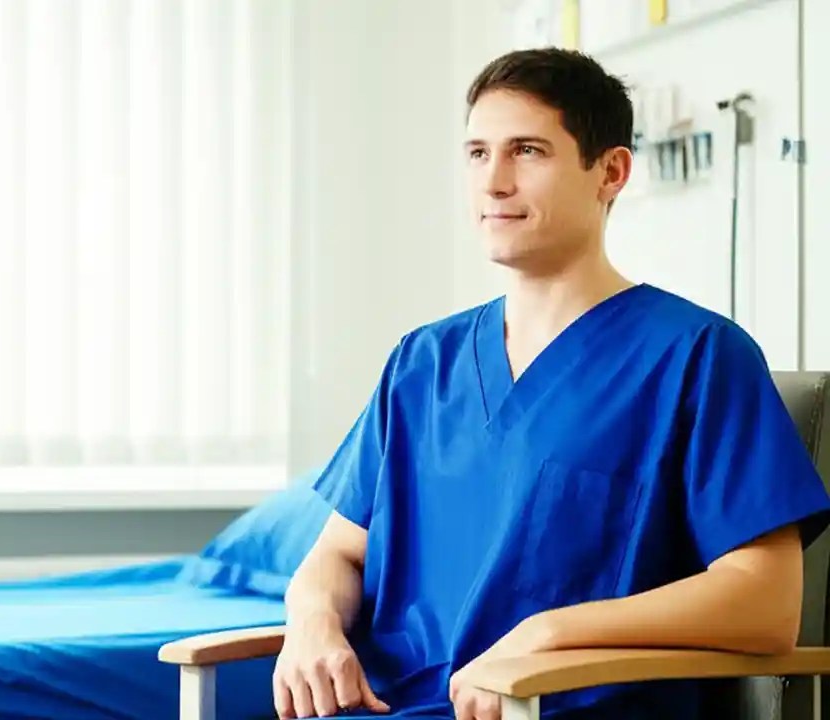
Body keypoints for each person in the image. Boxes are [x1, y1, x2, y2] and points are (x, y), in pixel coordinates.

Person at [273, 48, 830, 720]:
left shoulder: (698, 356)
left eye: (527, 151)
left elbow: (765, 603)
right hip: (388, 705)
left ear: (611, 172)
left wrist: (550, 631)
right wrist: (311, 624)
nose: (494, 181)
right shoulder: (422, 361)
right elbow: (338, 552)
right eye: (477, 153)